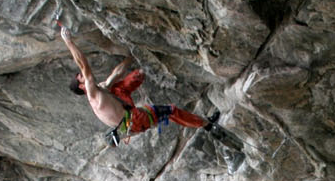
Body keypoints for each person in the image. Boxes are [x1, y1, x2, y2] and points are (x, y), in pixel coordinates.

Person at [59, 21, 218, 145]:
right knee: (171, 111)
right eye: (80, 78)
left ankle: (140, 73)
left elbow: (116, 73)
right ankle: (207, 125)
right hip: (135, 119)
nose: (83, 76)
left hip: (131, 122)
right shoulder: (93, 96)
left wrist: (134, 56)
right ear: (82, 86)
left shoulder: (100, 90)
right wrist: (68, 41)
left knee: (117, 86)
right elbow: (83, 64)